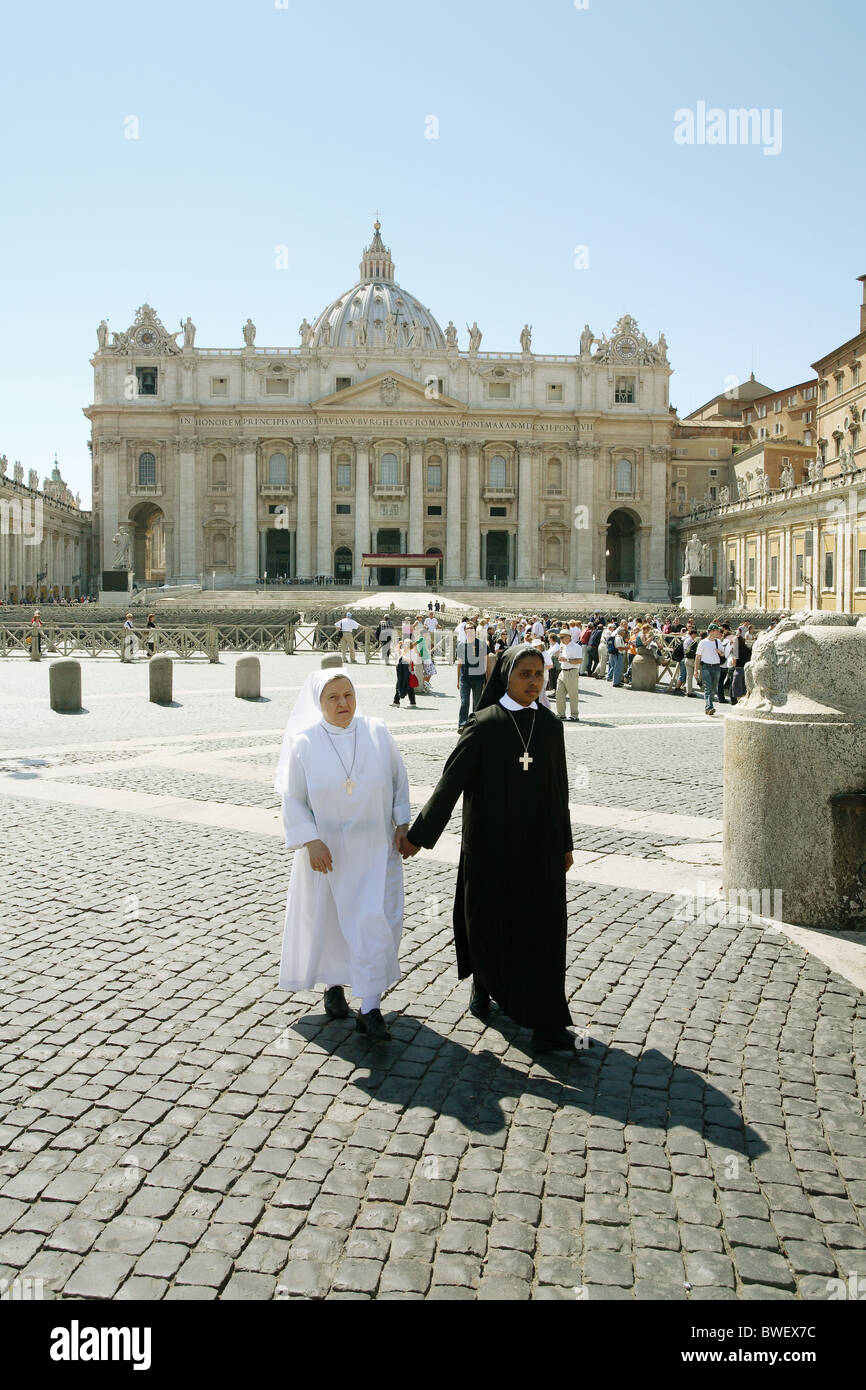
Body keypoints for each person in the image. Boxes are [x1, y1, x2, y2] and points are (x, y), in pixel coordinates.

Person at [399, 646, 578, 1053]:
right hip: (491, 845)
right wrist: (419, 835)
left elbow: (559, 790)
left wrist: (565, 843)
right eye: (525, 674)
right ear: (506, 678)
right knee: (489, 921)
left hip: (540, 848)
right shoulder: (483, 725)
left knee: (546, 930)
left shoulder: (551, 726)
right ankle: (485, 980)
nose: (534, 682)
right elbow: (450, 785)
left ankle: (548, 1021)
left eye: (539, 674)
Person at [274, 670, 411, 1041]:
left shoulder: (377, 732)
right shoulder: (304, 743)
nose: (343, 704)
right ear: (318, 702)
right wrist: (310, 840)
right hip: (329, 853)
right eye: (332, 697)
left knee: (373, 920)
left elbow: (399, 780)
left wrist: (402, 824)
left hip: (376, 850)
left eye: (348, 694)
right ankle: (334, 983)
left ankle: (370, 1006)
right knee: (331, 922)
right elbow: (293, 797)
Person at [456, 621, 487, 729]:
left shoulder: (482, 644)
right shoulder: (461, 645)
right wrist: (457, 679)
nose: (470, 630)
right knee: (464, 702)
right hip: (464, 678)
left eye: (472, 628)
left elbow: (485, 662)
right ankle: (462, 724)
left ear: (474, 630)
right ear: (464, 631)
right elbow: (459, 663)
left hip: (478, 678)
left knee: (477, 703)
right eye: (468, 628)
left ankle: (475, 724)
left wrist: (486, 679)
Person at [694, 623, 723, 716]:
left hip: (716, 666)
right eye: (717, 630)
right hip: (706, 666)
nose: (718, 632)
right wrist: (696, 670)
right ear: (711, 631)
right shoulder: (703, 642)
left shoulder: (718, 642)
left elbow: (723, 654)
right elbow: (698, 657)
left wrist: (720, 652)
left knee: (714, 688)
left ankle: (709, 707)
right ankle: (709, 707)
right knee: (708, 687)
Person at [555, 627, 581, 721]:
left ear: (568, 637)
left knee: (573, 695)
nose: (560, 639)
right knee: (559, 694)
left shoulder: (576, 647)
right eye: (560, 637)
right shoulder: (563, 645)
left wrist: (566, 660)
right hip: (563, 671)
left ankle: (574, 715)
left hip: (571, 671)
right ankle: (561, 714)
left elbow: (579, 660)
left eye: (562, 637)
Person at [393, 636, 421, 708]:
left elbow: (413, 662)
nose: (404, 644)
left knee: (408, 687)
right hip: (401, 670)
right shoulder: (404, 651)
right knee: (399, 684)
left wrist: (405, 658)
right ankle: (396, 702)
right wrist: (398, 645)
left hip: (407, 671)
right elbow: (396, 650)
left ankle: (412, 703)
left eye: (406, 643)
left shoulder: (412, 652)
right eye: (404, 643)